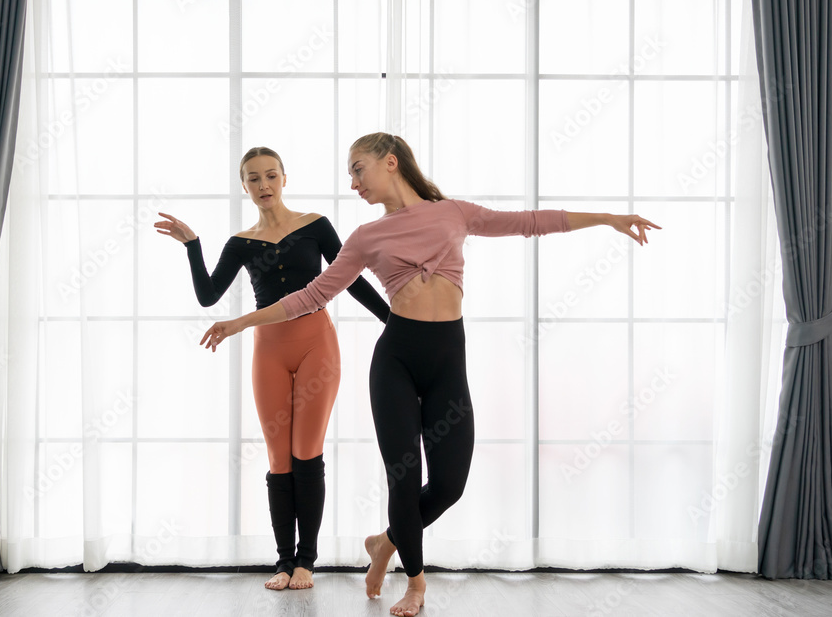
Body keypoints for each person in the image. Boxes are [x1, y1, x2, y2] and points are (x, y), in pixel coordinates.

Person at [198, 133, 661, 616]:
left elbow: (529, 222)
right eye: (350, 174)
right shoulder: (364, 237)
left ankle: (385, 543)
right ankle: (415, 585)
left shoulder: (453, 212)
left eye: (358, 170)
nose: (353, 182)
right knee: (404, 479)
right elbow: (311, 295)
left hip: (447, 362)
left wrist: (607, 217)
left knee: (450, 484)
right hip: (395, 360)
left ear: (391, 163)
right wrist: (240, 322)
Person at [155, 147, 390, 592]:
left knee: (307, 453)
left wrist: (392, 321)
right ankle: (284, 562)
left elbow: (351, 278)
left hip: (316, 343)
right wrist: (193, 246)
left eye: (270, 176)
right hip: (269, 351)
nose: (263, 185)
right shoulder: (241, 243)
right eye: (253, 179)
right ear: (243, 186)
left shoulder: (315, 227)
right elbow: (208, 296)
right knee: (279, 459)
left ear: (285, 178)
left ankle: (307, 563)